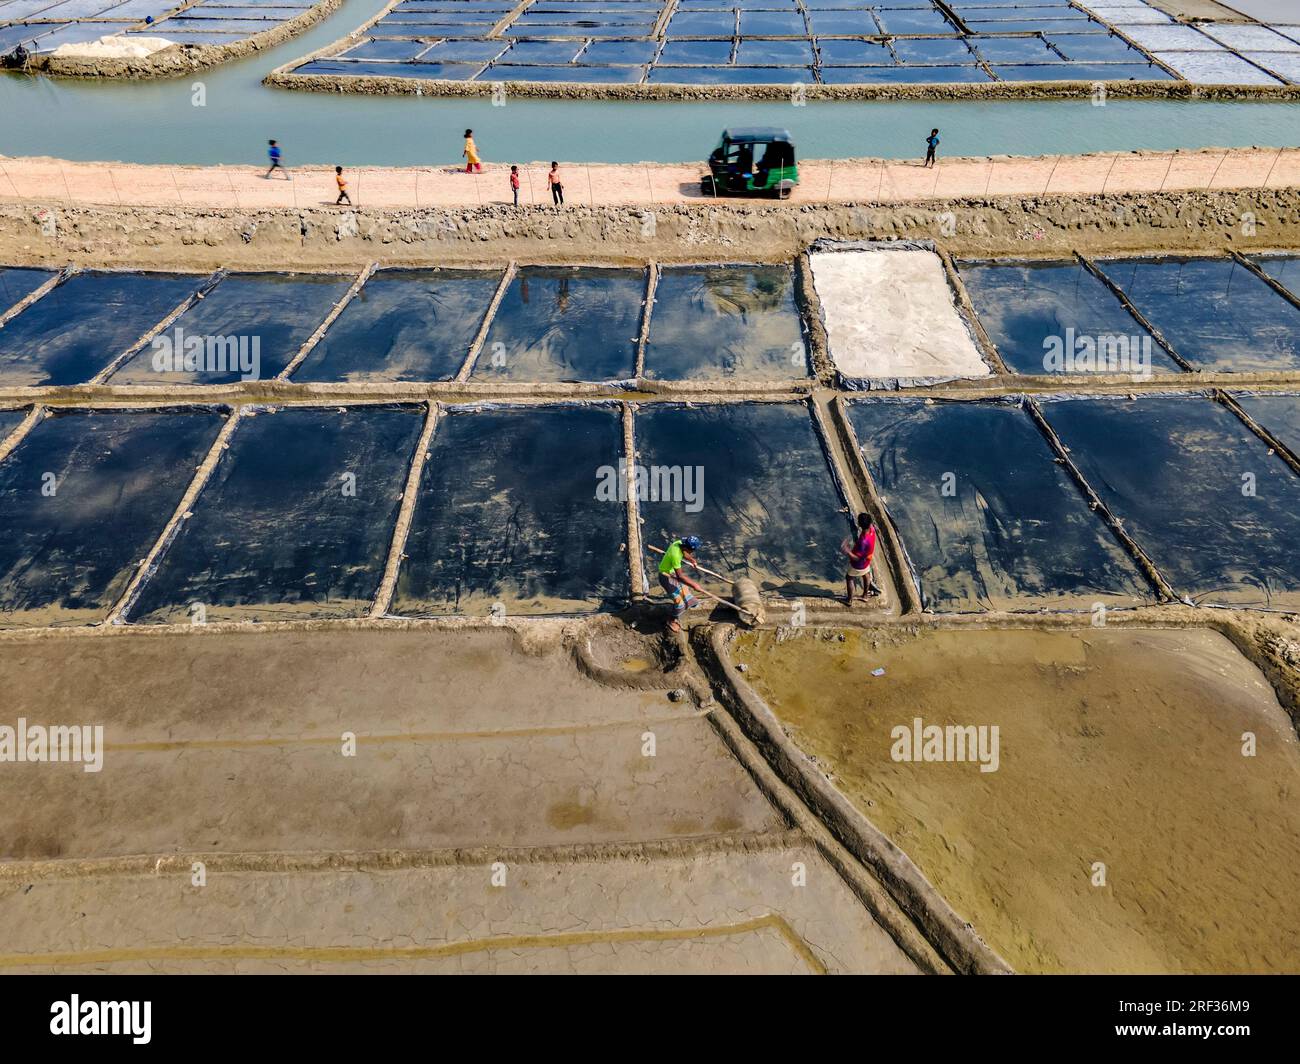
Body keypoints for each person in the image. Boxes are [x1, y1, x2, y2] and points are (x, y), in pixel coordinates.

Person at [658, 535, 706, 634]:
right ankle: (671, 620)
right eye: (691, 551)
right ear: (687, 548)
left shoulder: (680, 543)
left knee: (688, 596)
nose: (692, 553)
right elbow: (680, 576)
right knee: (679, 604)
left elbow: (684, 552)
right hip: (666, 576)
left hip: (672, 573)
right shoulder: (675, 555)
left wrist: (691, 560)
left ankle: (686, 605)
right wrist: (695, 585)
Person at [843, 512, 881, 604]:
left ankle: (849, 600)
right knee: (866, 574)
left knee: (849, 577)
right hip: (867, 560)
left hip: (859, 564)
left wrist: (847, 550)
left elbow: (856, 558)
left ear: (860, 524)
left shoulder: (863, 541)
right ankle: (865, 595)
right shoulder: (872, 530)